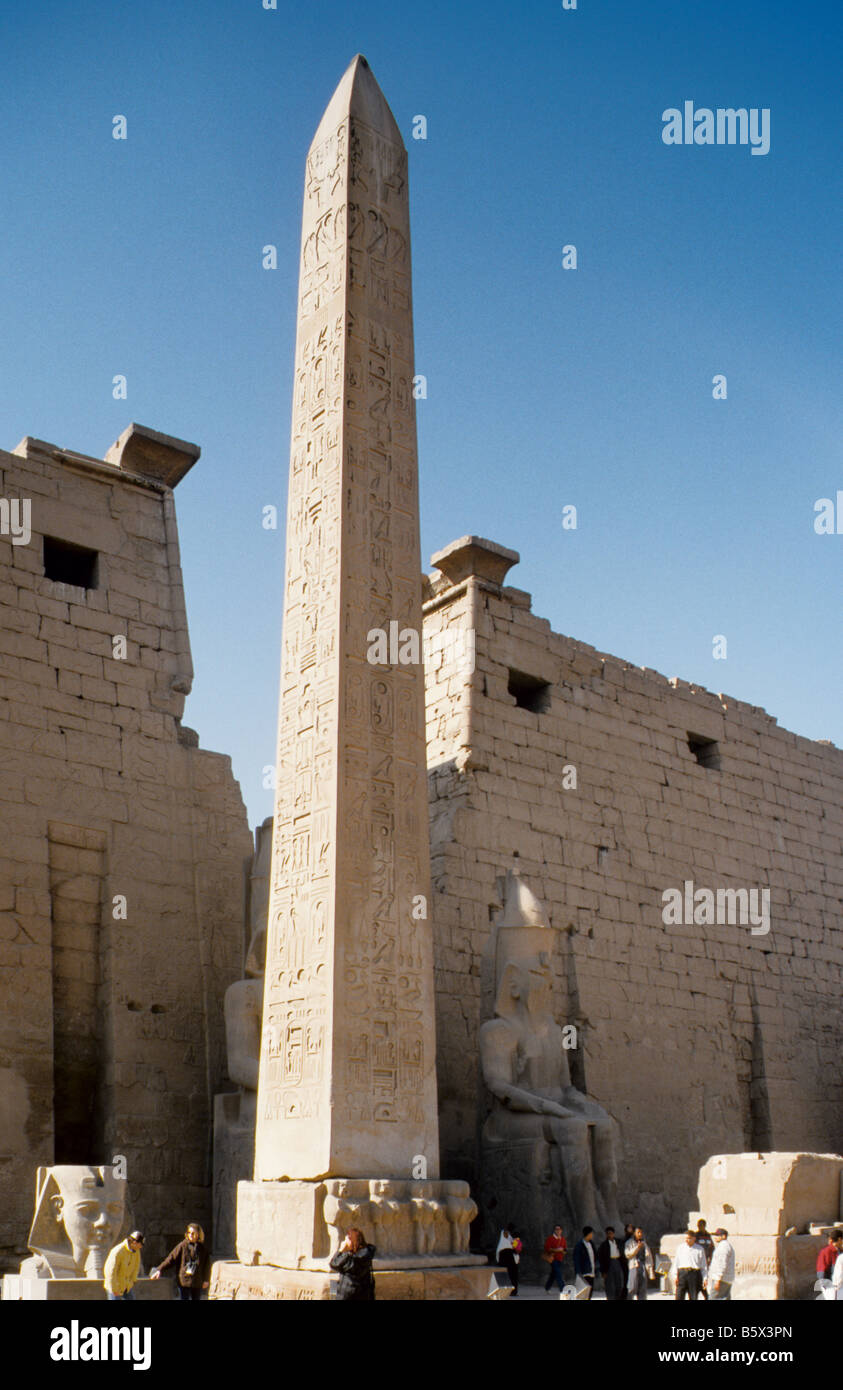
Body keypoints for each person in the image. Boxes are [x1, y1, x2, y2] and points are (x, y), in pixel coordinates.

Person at [150, 1222, 210, 1300]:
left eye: (193, 1233)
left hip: (197, 1281)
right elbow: (171, 1259)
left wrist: (206, 1280)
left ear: (198, 1234)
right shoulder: (182, 1246)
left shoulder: (203, 1249)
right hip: (184, 1281)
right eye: (189, 1233)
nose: (191, 1235)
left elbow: (207, 1265)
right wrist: (159, 1269)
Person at [329, 1227, 376, 1301]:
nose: (344, 1242)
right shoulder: (366, 1253)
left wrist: (341, 1250)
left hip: (349, 1294)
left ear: (352, 1241)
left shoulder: (355, 1259)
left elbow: (334, 1264)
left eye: (346, 1240)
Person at [103, 1230, 144, 1301]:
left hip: (126, 1285)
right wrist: (114, 1289)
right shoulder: (117, 1251)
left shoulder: (136, 1251)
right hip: (114, 1286)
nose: (141, 1247)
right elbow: (110, 1272)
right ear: (134, 1242)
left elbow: (136, 1266)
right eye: (141, 1244)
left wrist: (132, 1281)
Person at [673, 1230, 707, 1300]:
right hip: (682, 1274)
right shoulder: (680, 1248)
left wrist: (705, 1278)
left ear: (694, 1238)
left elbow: (703, 1265)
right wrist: (675, 1275)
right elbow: (676, 1262)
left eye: (689, 1238)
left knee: (693, 1296)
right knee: (679, 1296)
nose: (687, 1240)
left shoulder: (699, 1249)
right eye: (685, 1238)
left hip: (694, 1274)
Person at [706, 1227, 736, 1300]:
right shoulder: (724, 1246)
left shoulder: (723, 1247)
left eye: (717, 1235)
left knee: (714, 1298)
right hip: (725, 1278)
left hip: (722, 1279)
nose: (715, 1237)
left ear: (724, 1236)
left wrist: (717, 1279)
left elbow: (721, 1264)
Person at [625, 1227, 653, 1301]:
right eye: (638, 1232)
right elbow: (628, 1254)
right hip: (634, 1266)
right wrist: (637, 1247)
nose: (640, 1234)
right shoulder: (629, 1242)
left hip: (642, 1266)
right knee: (632, 1287)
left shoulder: (644, 1243)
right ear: (634, 1233)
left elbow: (648, 1256)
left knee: (642, 1289)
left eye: (641, 1232)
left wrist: (650, 1270)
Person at [597, 1226, 625, 1300]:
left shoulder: (619, 1242)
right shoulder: (604, 1245)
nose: (609, 1235)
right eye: (608, 1234)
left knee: (619, 1283)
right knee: (610, 1285)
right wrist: (603, 1271)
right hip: (609, 1264)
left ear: (613, 1233)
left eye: (611, 1233)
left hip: (617, 1262)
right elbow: (601, 1259)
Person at [573, 1226, 597, 1299]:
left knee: (590, 1292)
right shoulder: (579, 1245)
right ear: (588, 1234)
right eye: (591, 1233)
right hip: (584, 1273)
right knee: (583, 1293)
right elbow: (576, 1260)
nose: (592, 1235)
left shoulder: (591, 1244)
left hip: (591, 1272)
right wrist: (578, 1273)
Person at [543, 1224, 568, 1294]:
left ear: (561, 1231)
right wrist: (557, 1250)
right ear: (554, 1230)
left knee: (553, 1274)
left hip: (560, 1258)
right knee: (558, 1273)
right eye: (556, 1229)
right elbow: (547, 1248)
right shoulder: (550, 1238)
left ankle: (547, 1287)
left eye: (559, 1229)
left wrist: (562, 1251)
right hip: (553, 1259)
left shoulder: (563, 1239)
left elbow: (565, 1250)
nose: (557, 1231)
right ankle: (562, 1289)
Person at [496, 1225, 519, 1296]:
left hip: (510, 1260)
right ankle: (504, 1291)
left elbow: (516, 1249)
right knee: (504, 1275)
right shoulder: (503, 1244)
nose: (506, 1235)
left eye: (507, 1233)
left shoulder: (511, 1240)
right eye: (505, 1234)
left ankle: (513, 1291)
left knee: (513, 1275)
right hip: (505, 1261)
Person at [695, 1218, 714, 1299]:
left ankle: (706, 1295)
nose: (700, 1227)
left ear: (705, 1226)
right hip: (697, 1262)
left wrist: (710, 1259)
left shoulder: (708, 1236)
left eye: (701, 1225)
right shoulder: (696, 1236)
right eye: (699, 1225)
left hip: (705, 1261)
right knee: (697, 1279)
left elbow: (712, 1248)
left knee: (703, 1278)